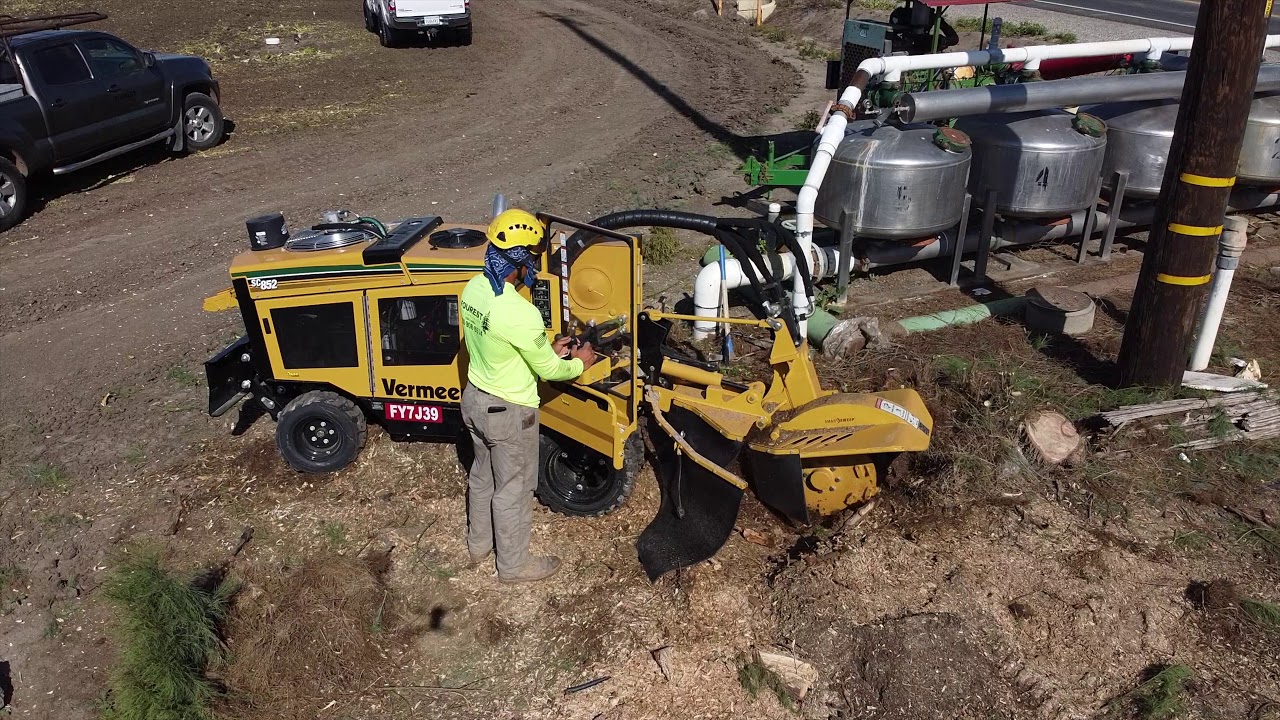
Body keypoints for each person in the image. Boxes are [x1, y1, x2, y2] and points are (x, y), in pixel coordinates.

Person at [458, 208, 596, 583]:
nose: (534, 266)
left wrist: (544, 346)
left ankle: (478, 546)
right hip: (509, 412)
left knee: (482, 476)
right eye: (532, 259)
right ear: (519, 262)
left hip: (475, 399)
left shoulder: (473, 289)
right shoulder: (520, 311)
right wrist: (579, 362)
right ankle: (514, 566)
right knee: (514, 490)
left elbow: (499, 343)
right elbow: (551, 371)